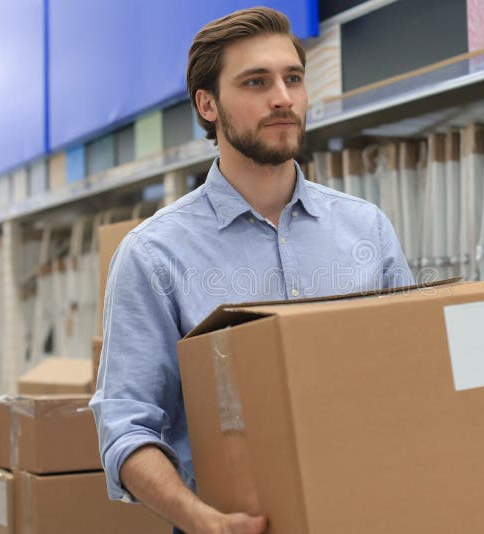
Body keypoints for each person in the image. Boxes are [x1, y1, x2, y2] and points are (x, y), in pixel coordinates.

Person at [90, 7, 413, 534]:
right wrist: (199, 520)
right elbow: (125, 428)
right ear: (208, 104)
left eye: (293, 79)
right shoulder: (154, 254)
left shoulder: (366, 231)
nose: (283, 97)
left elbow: (409, 379)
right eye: (256, 82)